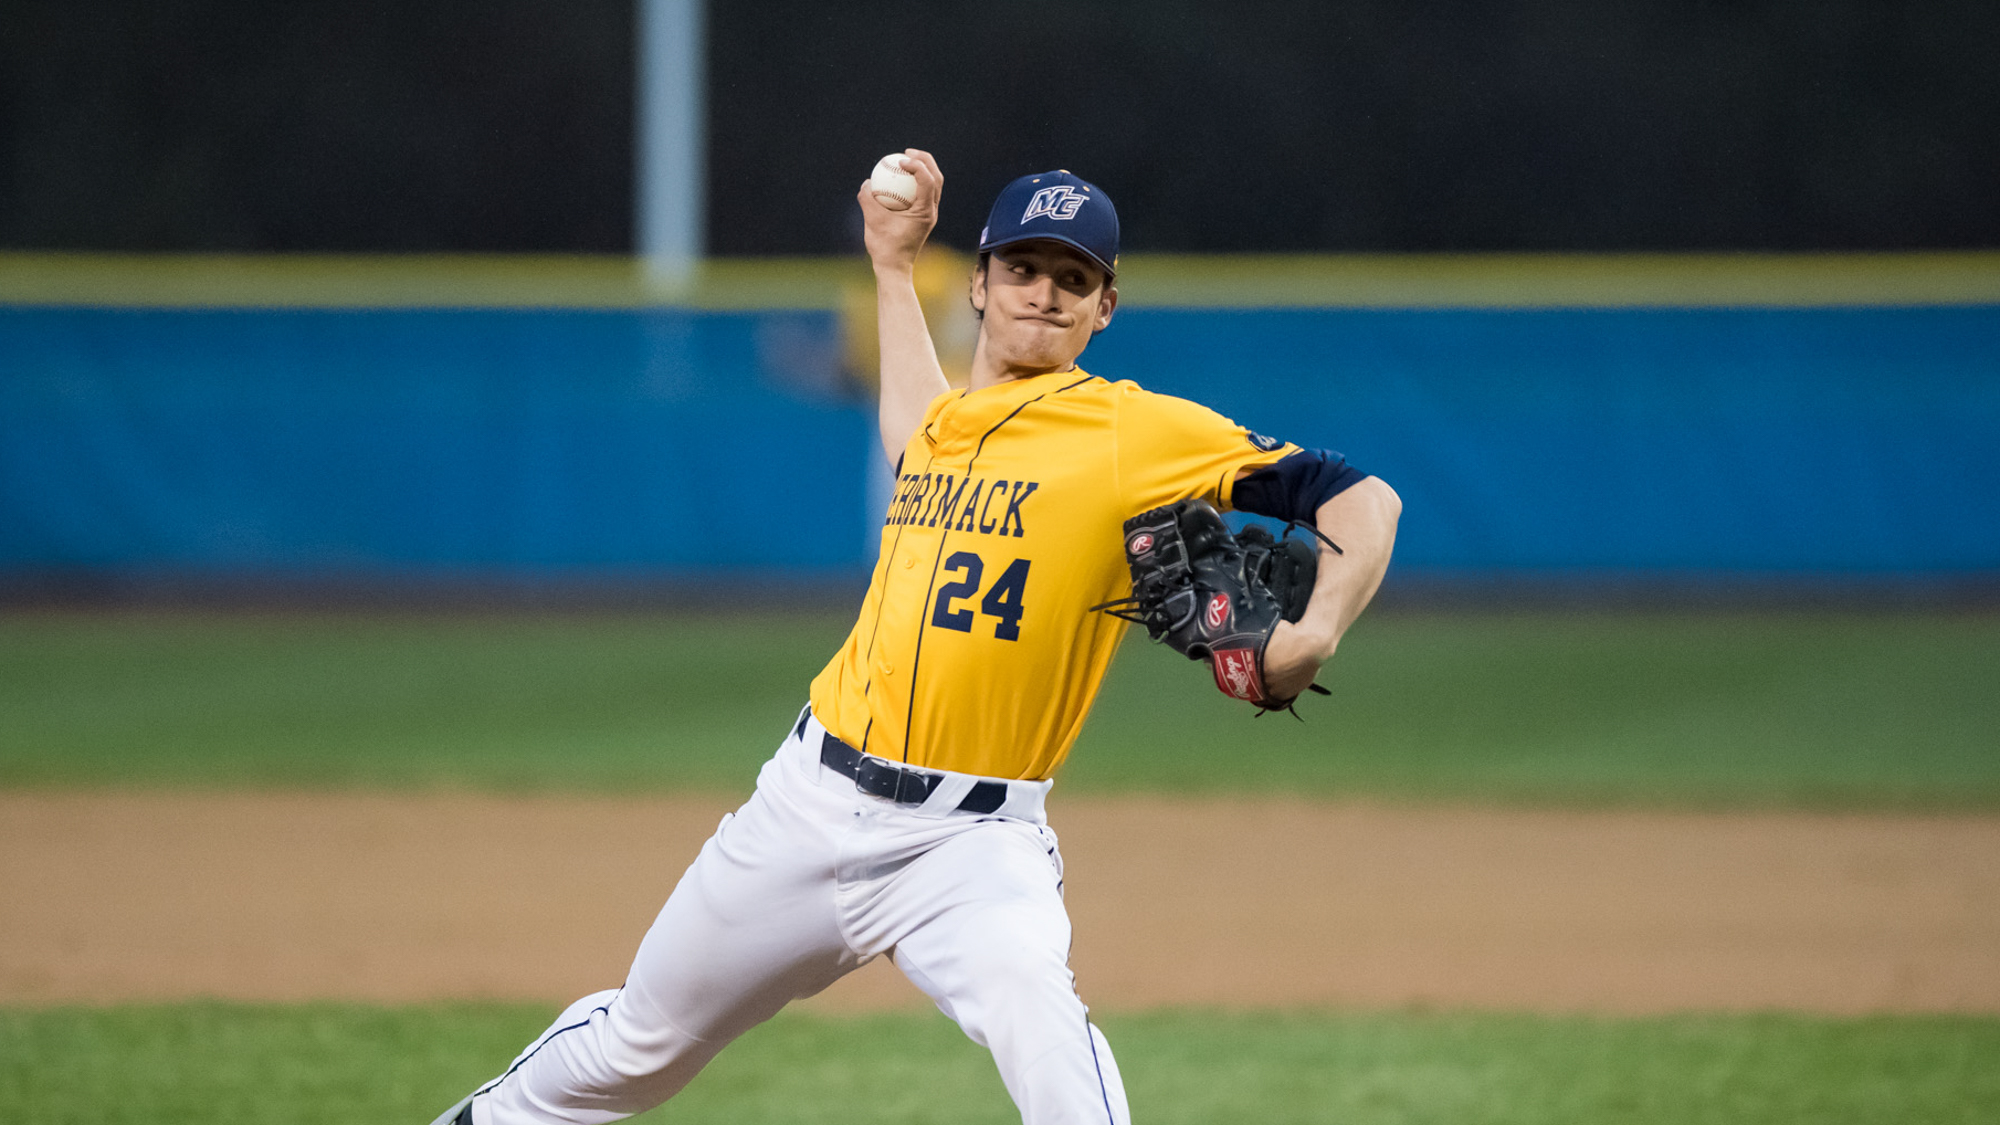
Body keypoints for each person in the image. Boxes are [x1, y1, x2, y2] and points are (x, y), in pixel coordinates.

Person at [431, 150, 1400, 1125]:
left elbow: (1360, 499)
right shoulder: (941, 427)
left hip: (968, 847)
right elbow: (911, 423)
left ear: (1105, 308)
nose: (1044, 294)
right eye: (1022, 269)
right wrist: (890, 266)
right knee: (636, 1047)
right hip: (804, 807)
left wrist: (1308, 635)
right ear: (977, 285)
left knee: (1044, 1031)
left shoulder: (1127, 431)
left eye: (1074, 279)